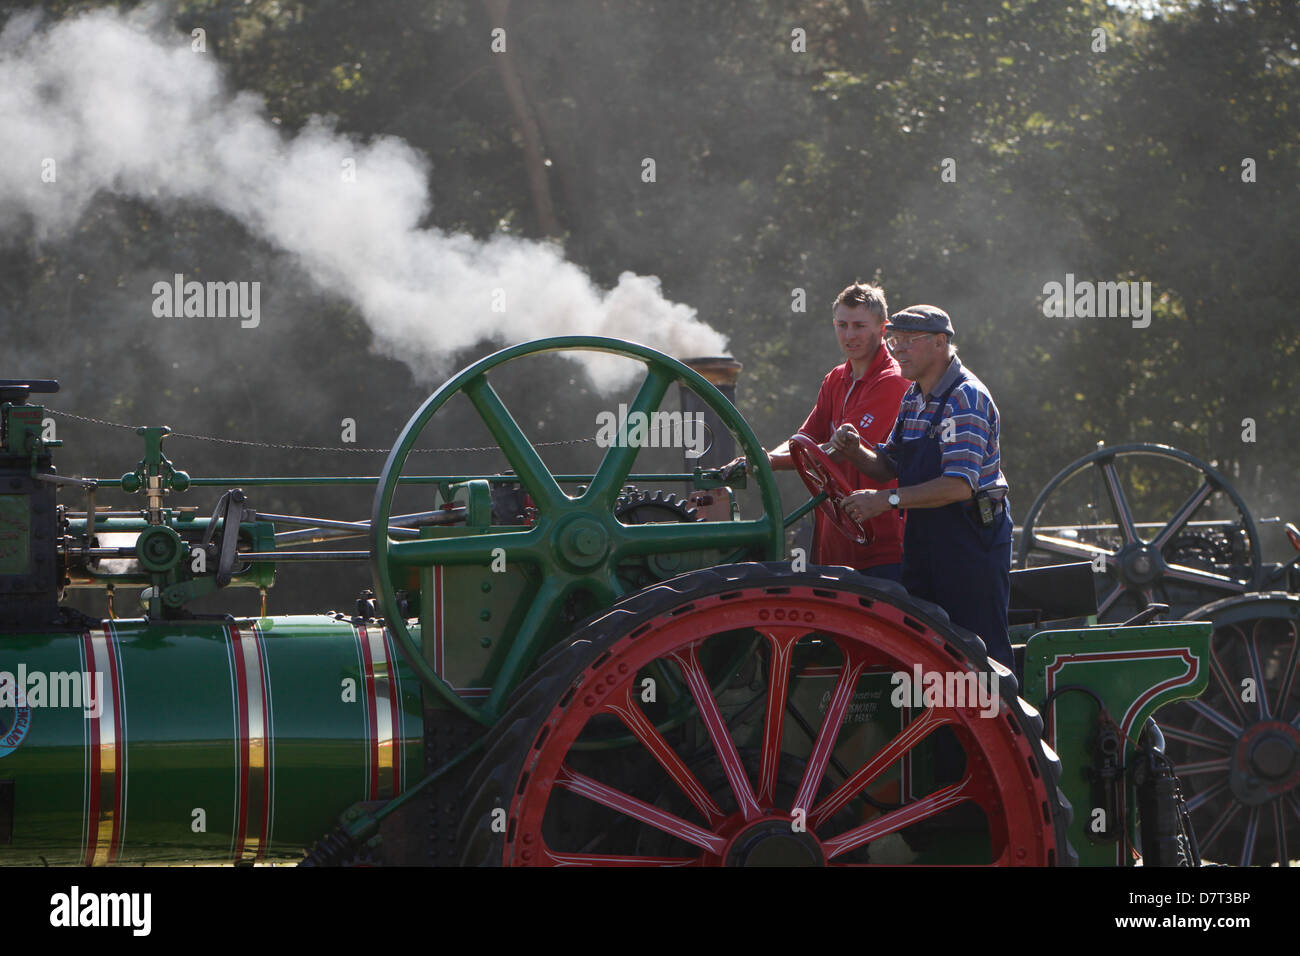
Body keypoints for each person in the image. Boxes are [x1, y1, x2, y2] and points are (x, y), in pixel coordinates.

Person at [828, 305, 1014, 669]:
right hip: (924, 539)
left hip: (970, 540)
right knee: (927, 652)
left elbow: (959, 486)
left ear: (941, 343)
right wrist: (854, 450)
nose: (897, 350)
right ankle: (941, 727)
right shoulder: (913, 397)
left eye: (908, 342)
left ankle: (995, 722)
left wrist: (885, 501)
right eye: (894, 340)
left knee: (976, 653)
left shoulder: (966, 398)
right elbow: (888, 466)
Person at [729, 282, 909, 579]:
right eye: (842, 325)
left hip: (879, 543)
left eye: (860, 326)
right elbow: (804, 440)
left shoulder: (893, 382)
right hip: (836, 538)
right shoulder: (836, 379)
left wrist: (769, 463)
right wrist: (764, 456)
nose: (850, 335)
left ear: (883, 328)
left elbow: (836, 454)